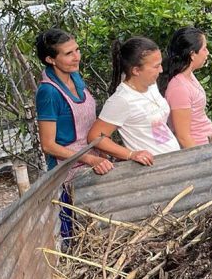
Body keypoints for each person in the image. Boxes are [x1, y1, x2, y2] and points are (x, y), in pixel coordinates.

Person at [35, 29, 113, 239]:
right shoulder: (48, 92)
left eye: (77, 50)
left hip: (93, 161)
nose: (77, 57)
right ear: (50, 59)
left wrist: (101, 153)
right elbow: (48, 145)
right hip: (68, 173)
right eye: (68, 53)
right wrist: (88, 158)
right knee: (76, 234)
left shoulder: (76, 78)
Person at [87, 37, 180, 164]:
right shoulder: (122, 100)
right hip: (152, 168)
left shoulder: (152, 85)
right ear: (136, 70)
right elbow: (95, 136)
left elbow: (155, 126)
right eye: (156, 66)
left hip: (172, 159)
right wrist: (131, 154)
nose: (161, 70)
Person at [159, 27, 212, 148]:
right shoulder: (179, 87)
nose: (207, 53)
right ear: (192, 54)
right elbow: (183, 137)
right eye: (204, 49)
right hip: (197, 149)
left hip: (206, 145)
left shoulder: (188, 75)